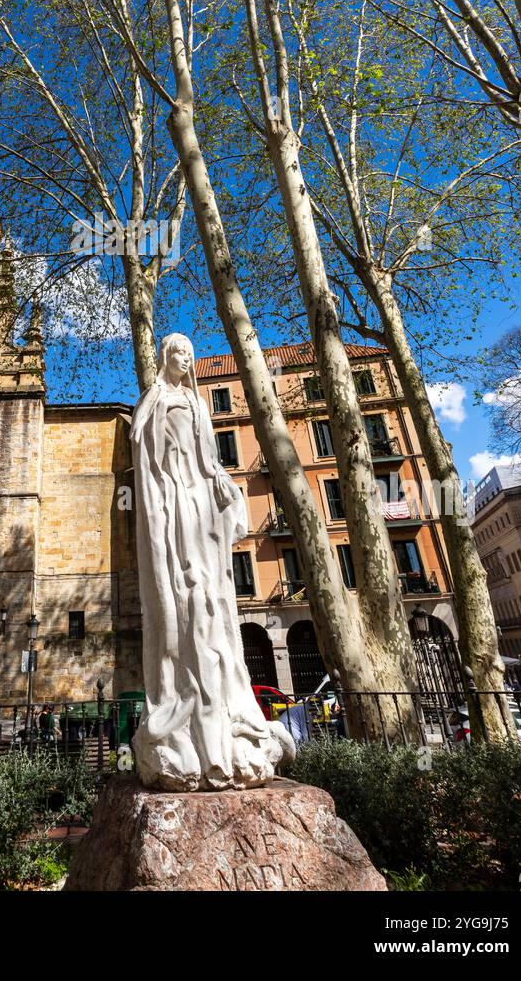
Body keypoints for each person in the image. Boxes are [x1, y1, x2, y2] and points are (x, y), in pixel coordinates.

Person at [130, 333, 295, 790]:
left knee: (211, 592)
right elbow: (143, 448)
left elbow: (209, 457)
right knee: (188, 590)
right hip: (173, 495)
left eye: (190, 354)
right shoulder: (156, 399)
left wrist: (222, 482)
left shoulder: (196, 402)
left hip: (199, 495)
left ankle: (227, 719)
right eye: (179, 353)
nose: (185, 360)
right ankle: (186, 711)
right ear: (166, 357)